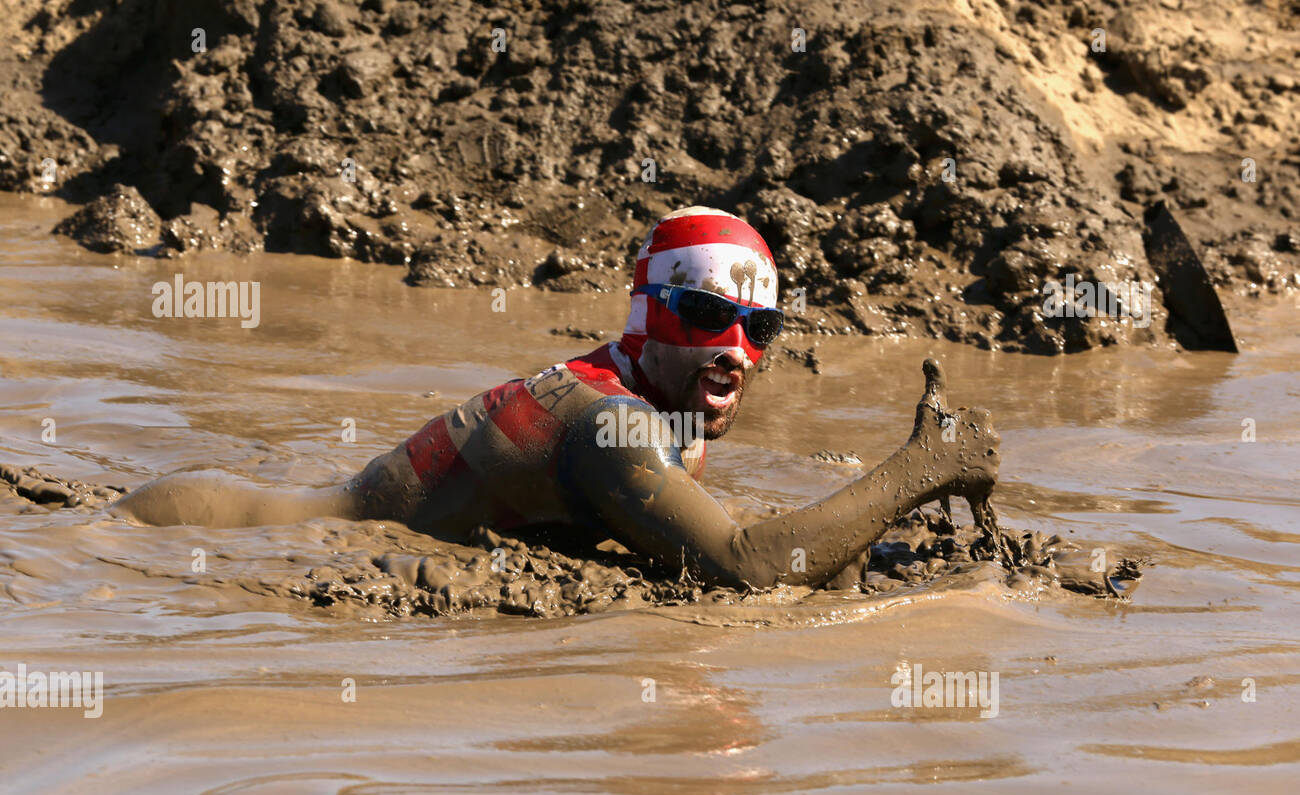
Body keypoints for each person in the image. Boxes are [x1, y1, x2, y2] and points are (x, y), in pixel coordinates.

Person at [115, 206, 1000, 589]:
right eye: (704, 316)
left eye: (757, 331)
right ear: (648, 317)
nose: (734, 349)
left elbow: (732, 553)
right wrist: (916, 473)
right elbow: (744, 567)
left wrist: (867, 554)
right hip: (216, 535)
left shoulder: (661, 404)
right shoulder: (612, 426)